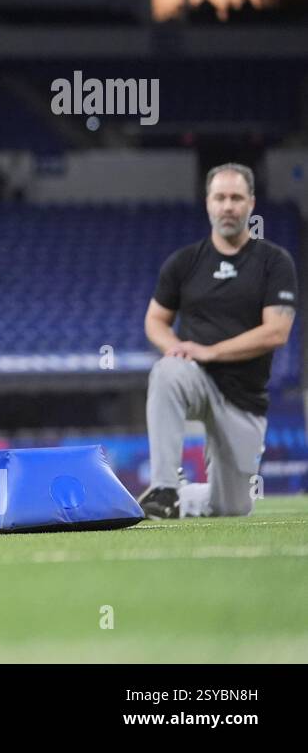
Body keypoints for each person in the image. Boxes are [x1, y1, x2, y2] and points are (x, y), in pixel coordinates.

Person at [138, 164, 297, 519]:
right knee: (166, 372)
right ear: (208, 203)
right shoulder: (184, 262)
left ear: (251, 203)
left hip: (244, 398)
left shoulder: (275, 262)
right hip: (197, 379)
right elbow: (155, 320)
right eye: (220, 197)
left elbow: (277, 331)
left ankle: (184, 495)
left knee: (233, 508)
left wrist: (211, 351)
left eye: (236, 198)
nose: (228, 206)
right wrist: (174, 347)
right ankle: (163, 487)